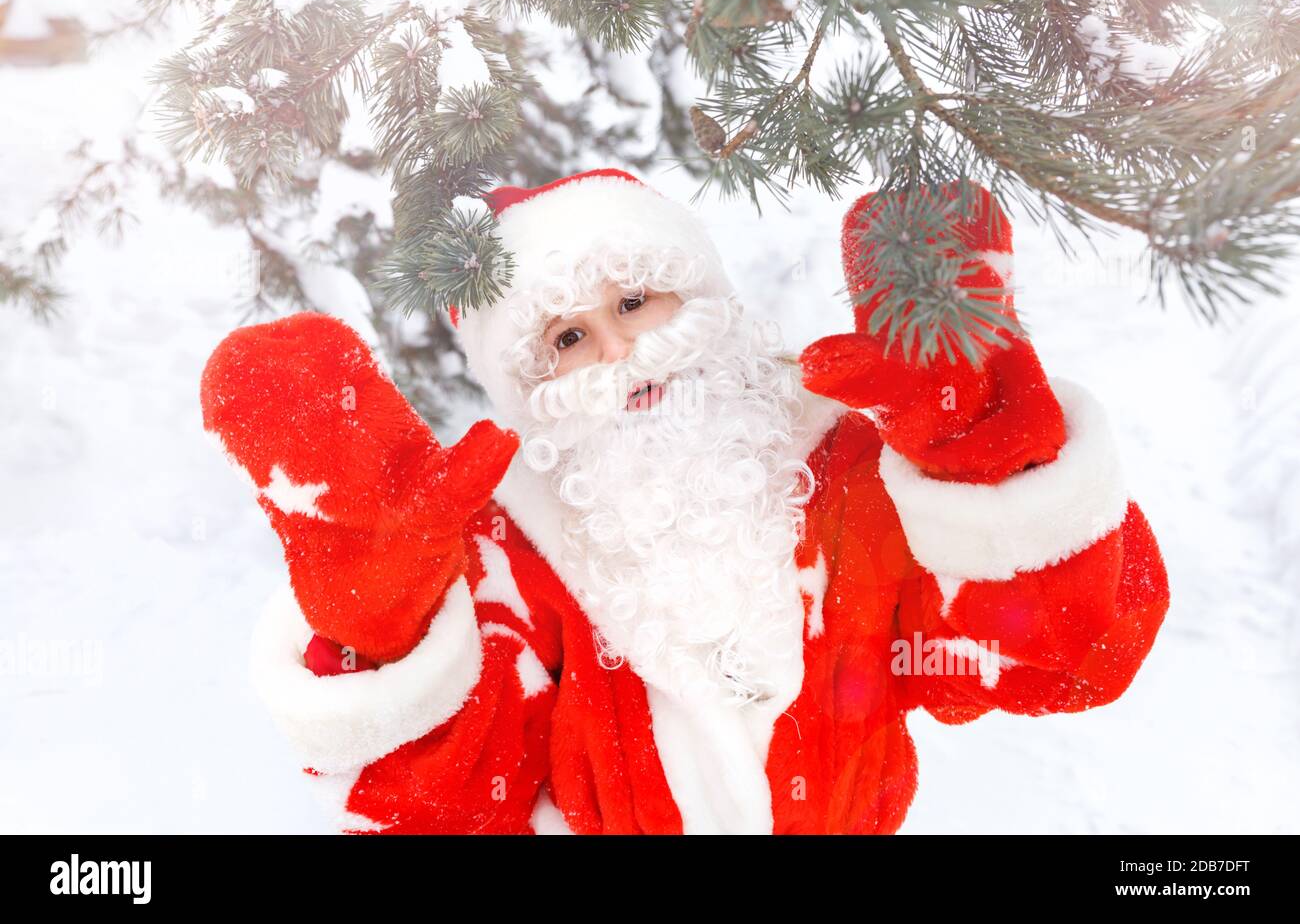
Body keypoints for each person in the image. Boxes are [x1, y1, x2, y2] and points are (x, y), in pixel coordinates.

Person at [200, 168, 1169, 834]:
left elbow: (1059, 659)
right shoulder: (516, 546)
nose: (618, 355)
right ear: (531, 382)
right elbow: (448, 807)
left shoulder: (842, 469)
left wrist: (987, 452)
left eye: (633, 305)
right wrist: (385, 616)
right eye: (569, 340)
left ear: (699, 299)